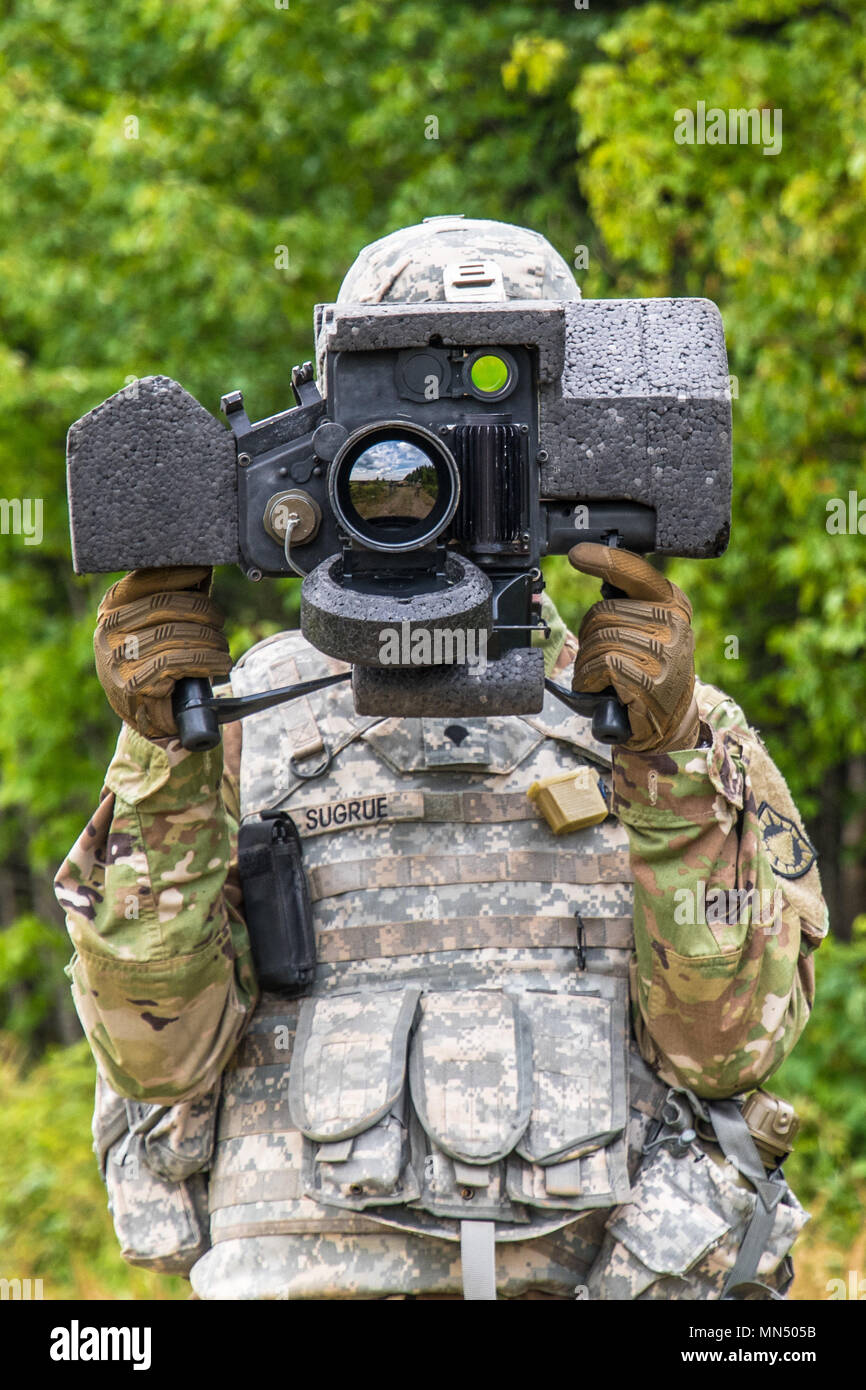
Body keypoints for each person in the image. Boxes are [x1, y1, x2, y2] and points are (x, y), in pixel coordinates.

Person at [55, 217, 828, 1300]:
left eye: (490, 432)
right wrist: (158, 749)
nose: (431, 486)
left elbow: (726, 1052)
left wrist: (666, 759)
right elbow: (156, 1058)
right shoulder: (236, 730)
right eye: (394, 447)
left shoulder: (664, 730)